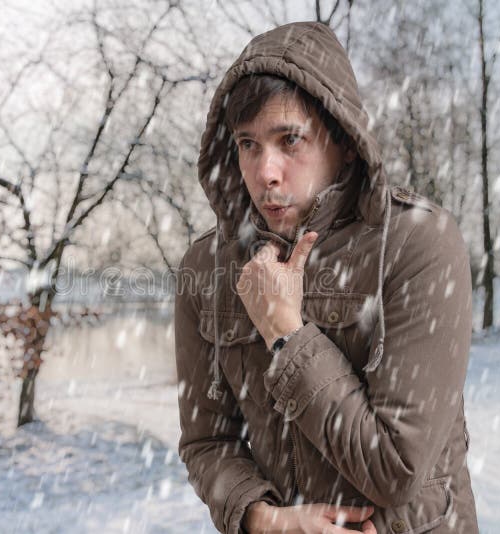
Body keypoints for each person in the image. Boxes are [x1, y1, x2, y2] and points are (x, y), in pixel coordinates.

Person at [174, 21, 477, 534]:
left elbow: (397, 469)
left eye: (289, 139)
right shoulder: (207, 268)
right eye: (248, 144)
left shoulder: (416, 243)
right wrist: (263, 519)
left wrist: (286, 335)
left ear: (344, 139)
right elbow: (206, 441)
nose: (266, 172)